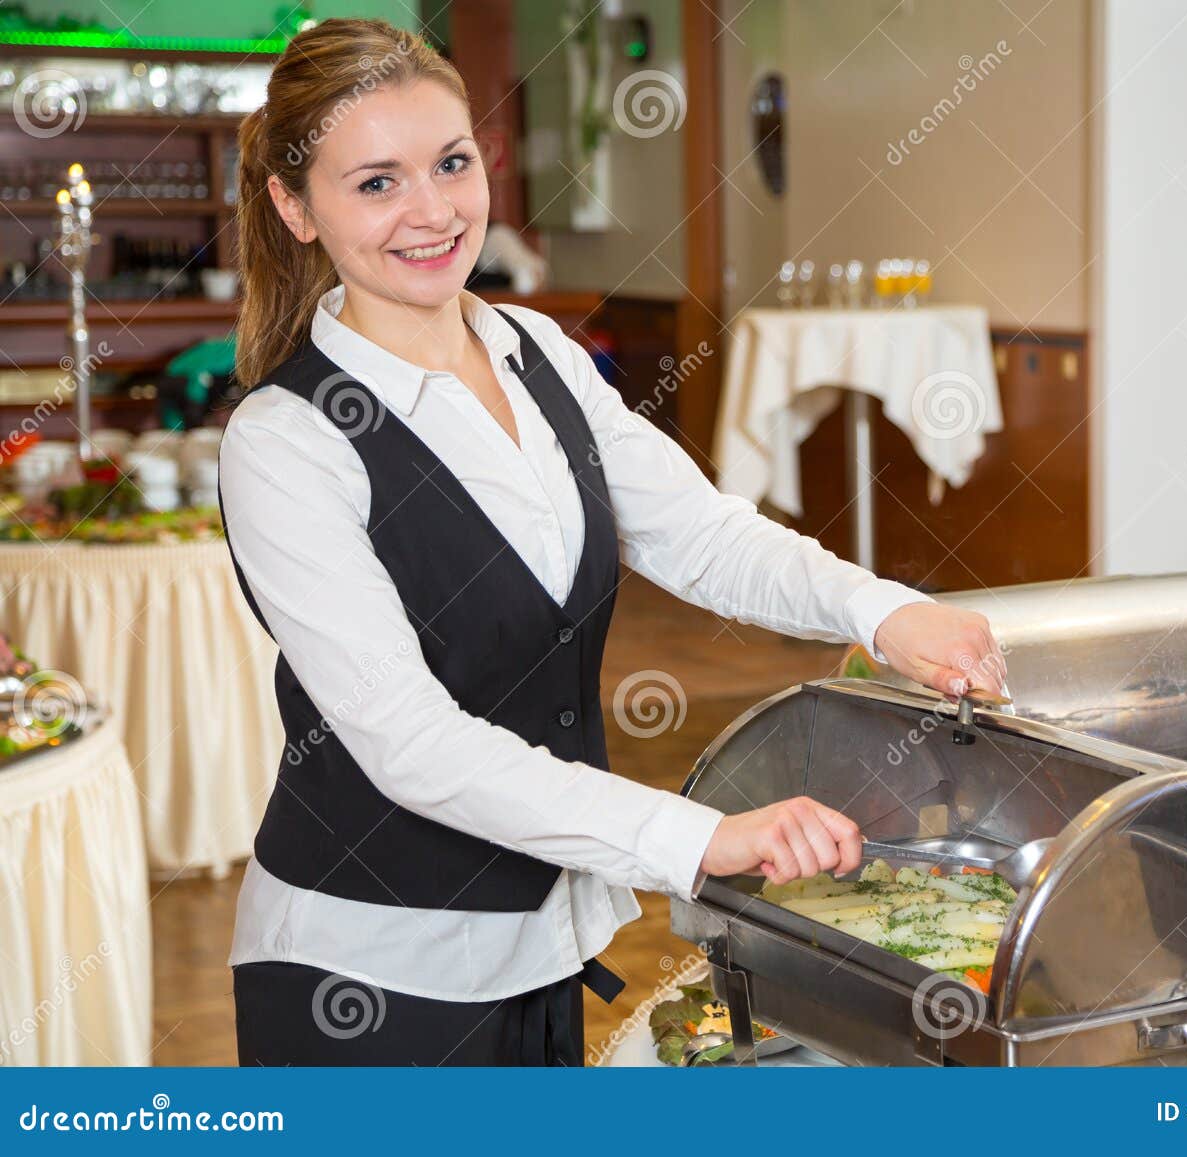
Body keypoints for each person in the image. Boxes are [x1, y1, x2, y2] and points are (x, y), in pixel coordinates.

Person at [220, 18, 1005, 1067]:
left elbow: (702, 536)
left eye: (451, 163)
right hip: (371, 968)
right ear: (293, 205)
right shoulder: (284, 441)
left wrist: (882, 609)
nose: (433, 210)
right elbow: (410, 742)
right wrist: (700, 838)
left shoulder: (535, 349)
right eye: (376, 182)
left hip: (543, 939)